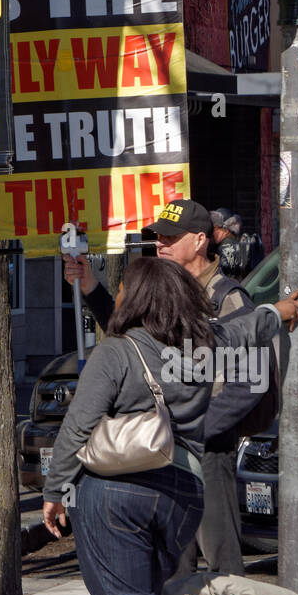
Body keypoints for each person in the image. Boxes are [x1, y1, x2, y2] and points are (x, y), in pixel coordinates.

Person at [43, 256, 298, 595]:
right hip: (184, 494)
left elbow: (76, 429)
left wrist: (56, 491)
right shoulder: (203, 346)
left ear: (138, 299)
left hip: (119, 496)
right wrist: (279, 311)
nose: (118, 297)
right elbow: (247, 327)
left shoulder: (116, 353)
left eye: (122, 290)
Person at [63, 198, 263, 575]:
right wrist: (91, 287)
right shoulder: (167, 290)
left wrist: (200, 428)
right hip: (163, 448)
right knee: (172, 564)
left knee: (222, 562)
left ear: (201, 241)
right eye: (158, 236)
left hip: (206, 449)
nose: (160, 243)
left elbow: (251, 380)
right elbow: (133, 339)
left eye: (171, 237)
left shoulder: (227, 297)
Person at [211, 207, 246, 278]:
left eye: (215, 228)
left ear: (225, 230)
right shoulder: (233, 244)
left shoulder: (226, 247)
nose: (211, 232)